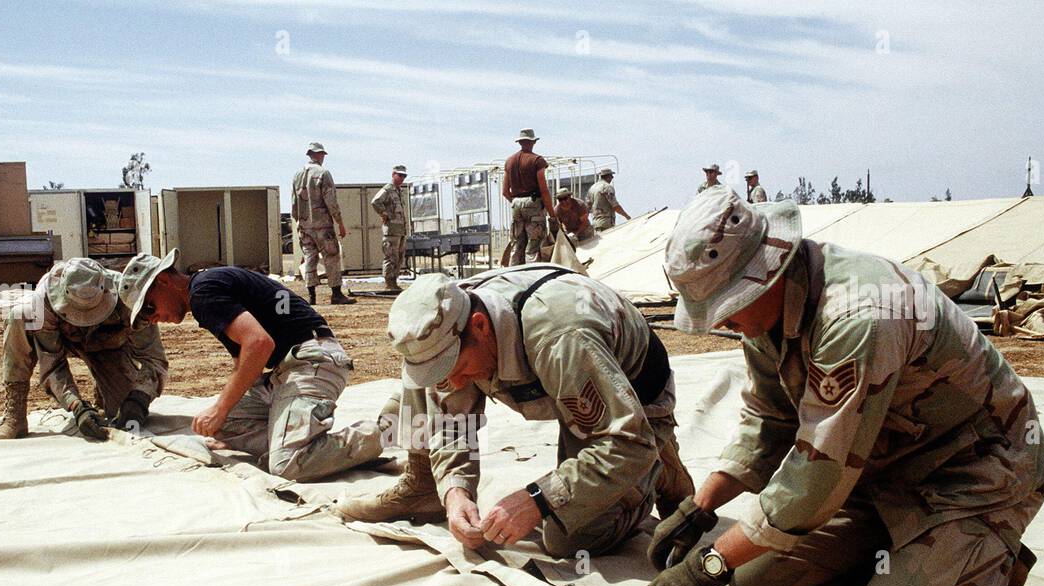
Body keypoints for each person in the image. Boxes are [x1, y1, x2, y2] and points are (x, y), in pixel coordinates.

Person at [638, 188, 1044, 586]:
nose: (723, 319)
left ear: (767, 272)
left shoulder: (859, 314)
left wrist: (706, 565)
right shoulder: (765, 317)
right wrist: (701, 506)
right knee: (754, 579)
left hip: (972, 478)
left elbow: (815, 477)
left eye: (727, 304)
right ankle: (901, 556)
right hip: (877, 473)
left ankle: (989, 575)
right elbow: (768, 423)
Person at [335, 266, 696, 558]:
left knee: (572, 538)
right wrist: (455, 491)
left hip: (632, 400)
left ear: (479, 325)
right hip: (567, 379)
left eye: (453, 365)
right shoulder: (450, 320)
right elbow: (450, 417)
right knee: (417, 388)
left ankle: (657, 464)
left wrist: (540, 499)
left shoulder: (561, 339)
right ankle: (423, 484)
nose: (456, 383)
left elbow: (625, 442)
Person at [118, 250, 386, 481]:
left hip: (313, 362)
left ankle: (379, 434)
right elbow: (244, 362)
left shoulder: (203, 293)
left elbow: (259, 345)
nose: (151, 319)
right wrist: (222, 411)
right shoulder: (207, 287)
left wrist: (220, 408)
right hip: (290, 367)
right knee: (219, 424)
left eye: (148, 307)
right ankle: (295, 440)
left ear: (163, 280)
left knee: (286, 466)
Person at [0, 257, 167, 441]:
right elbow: (52, 364)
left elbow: (153, 359)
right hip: (62, 341)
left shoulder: (127, 295)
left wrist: (139, 398)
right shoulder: (44, 301)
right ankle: (14, 416)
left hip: (106, 346)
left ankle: (103, 397)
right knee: (19, 316)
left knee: (122, 412)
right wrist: (76, 405)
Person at [292, 142, 355, 305]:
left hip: (304, 225)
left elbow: (293, 204)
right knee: (331, 256)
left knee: (309, 258)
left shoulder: (297, 175)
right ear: (319, 155)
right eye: (323, 155)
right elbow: (331, 201)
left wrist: (299, 221)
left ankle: (312, 296)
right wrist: (339, 222)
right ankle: (336, 294)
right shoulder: (323, 173)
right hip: (322, 225)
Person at [502, 129, 557, 265]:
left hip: (516, 203)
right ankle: (533, 277)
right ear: (533, 142)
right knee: (534, 246)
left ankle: (512, 276)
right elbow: (544, 190)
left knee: (517, 245)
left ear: (520, 142)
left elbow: (505, 191)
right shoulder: (537, 161)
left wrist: (516, 203)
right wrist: (552, 215)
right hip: (533, 203)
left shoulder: (509, 162)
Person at [371, 164, 409, 292]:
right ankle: (389, 283)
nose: (402, 178)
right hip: (391, 230)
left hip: (400, 230)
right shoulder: (387, 189)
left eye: (404, 176)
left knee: (398, 257)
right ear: (393, 175)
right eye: (400, 175)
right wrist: (384, 213)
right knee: (391, 257)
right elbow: (375, 201)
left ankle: (394, 282)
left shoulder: (399, 191)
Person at [586, 167, 630, 231]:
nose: (612, 178)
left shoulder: (592, 188)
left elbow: (587, 208)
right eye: (611, 176)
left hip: (595, 224)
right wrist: (627, 216)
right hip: (606, 223)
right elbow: (615, 205)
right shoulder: (607, 187)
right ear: (608, 176)